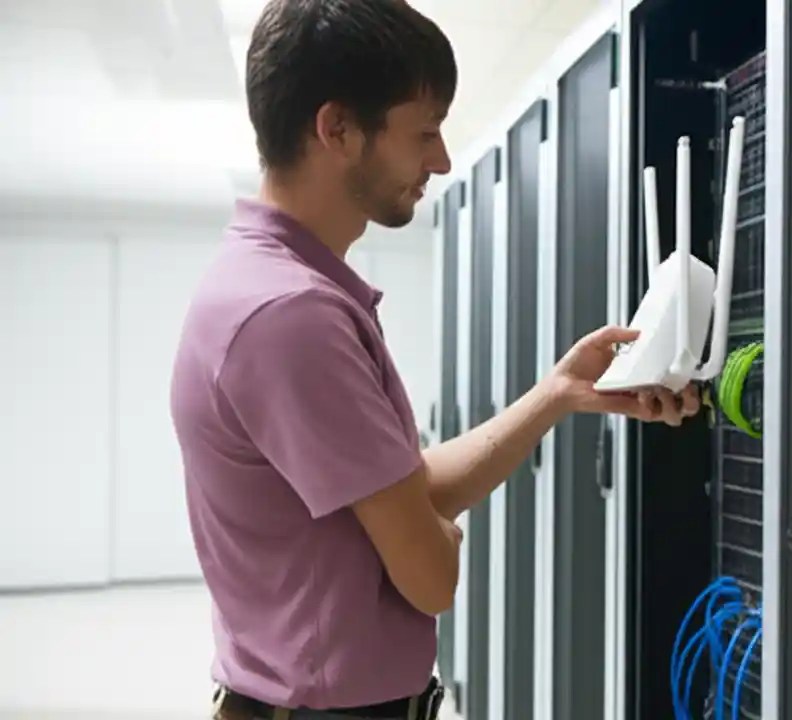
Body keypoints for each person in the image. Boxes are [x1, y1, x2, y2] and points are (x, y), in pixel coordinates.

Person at [169, 1, 700, 718]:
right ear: (338, 130)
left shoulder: (268, 288)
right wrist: (430, 539)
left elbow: (406, 487)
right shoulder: (291, 317)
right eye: (424, 132)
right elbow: (431, 578)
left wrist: (558, 394)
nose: (441, 160)